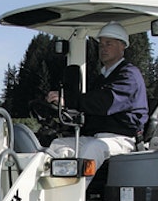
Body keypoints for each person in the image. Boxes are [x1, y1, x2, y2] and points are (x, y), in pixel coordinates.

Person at [45, 21, 148, 170]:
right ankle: (49, 192)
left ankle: (77, 193)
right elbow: (90, 103)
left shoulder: (128, 75)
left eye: (109, 44)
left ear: (122, 46)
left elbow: (104, 103)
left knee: (94, 149)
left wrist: (68, 100)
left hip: (122, 138)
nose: (103, 49)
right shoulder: (103, 77)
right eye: (101, 45)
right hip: (97, 136)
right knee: (58, 146)